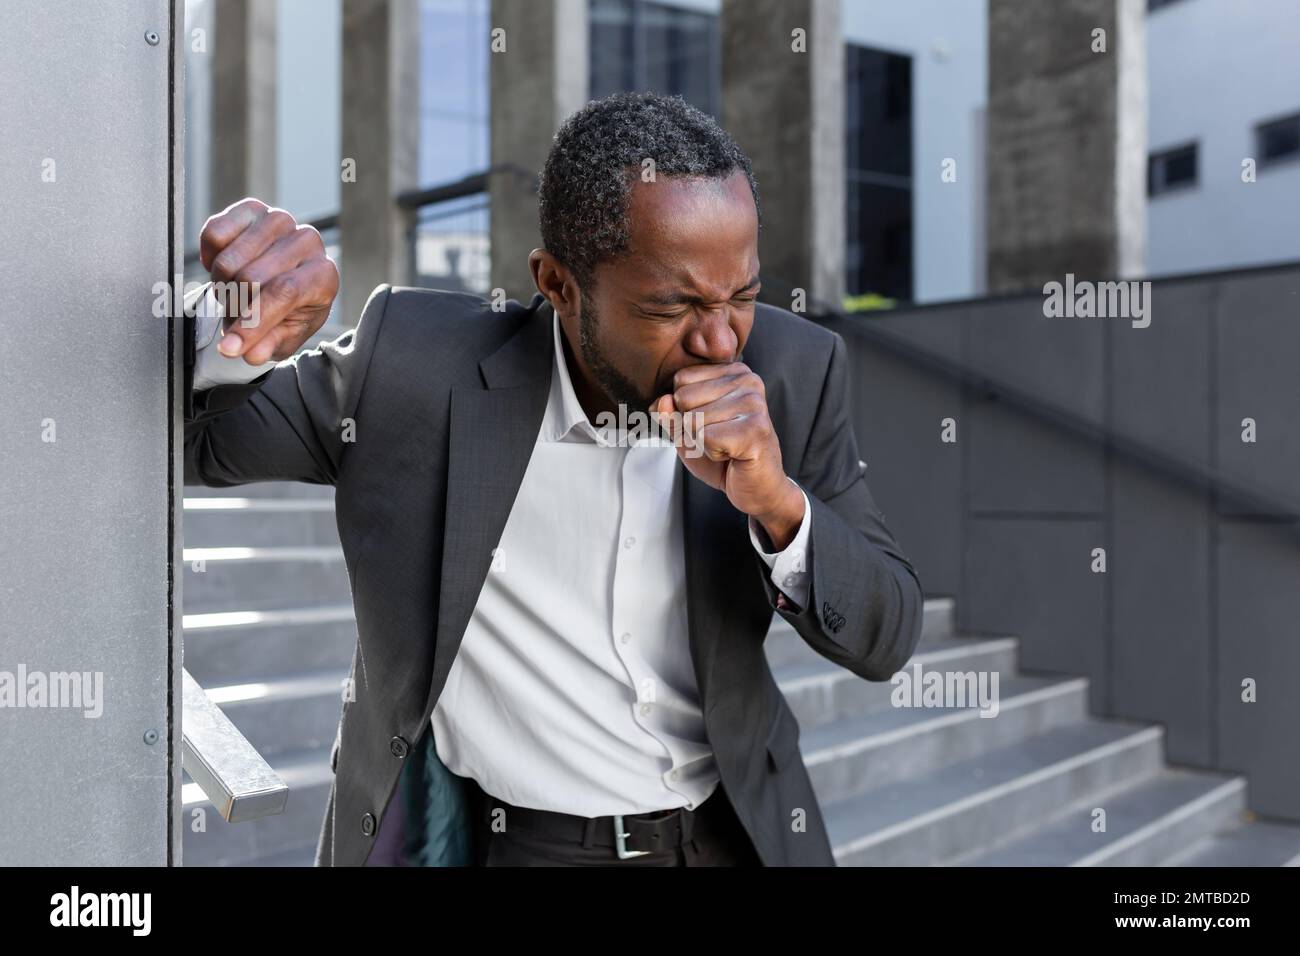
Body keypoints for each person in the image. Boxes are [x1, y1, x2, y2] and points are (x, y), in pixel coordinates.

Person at [184, 91, 923, 866]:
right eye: (672, 306)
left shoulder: (793, 371)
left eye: (742, 296)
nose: (719, 341)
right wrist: (236, 326)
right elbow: (199, 439)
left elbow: (889, 635)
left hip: (727, 835)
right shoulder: (414, 371)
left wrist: (776, 503)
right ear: (559, 284)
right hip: (515, 844)